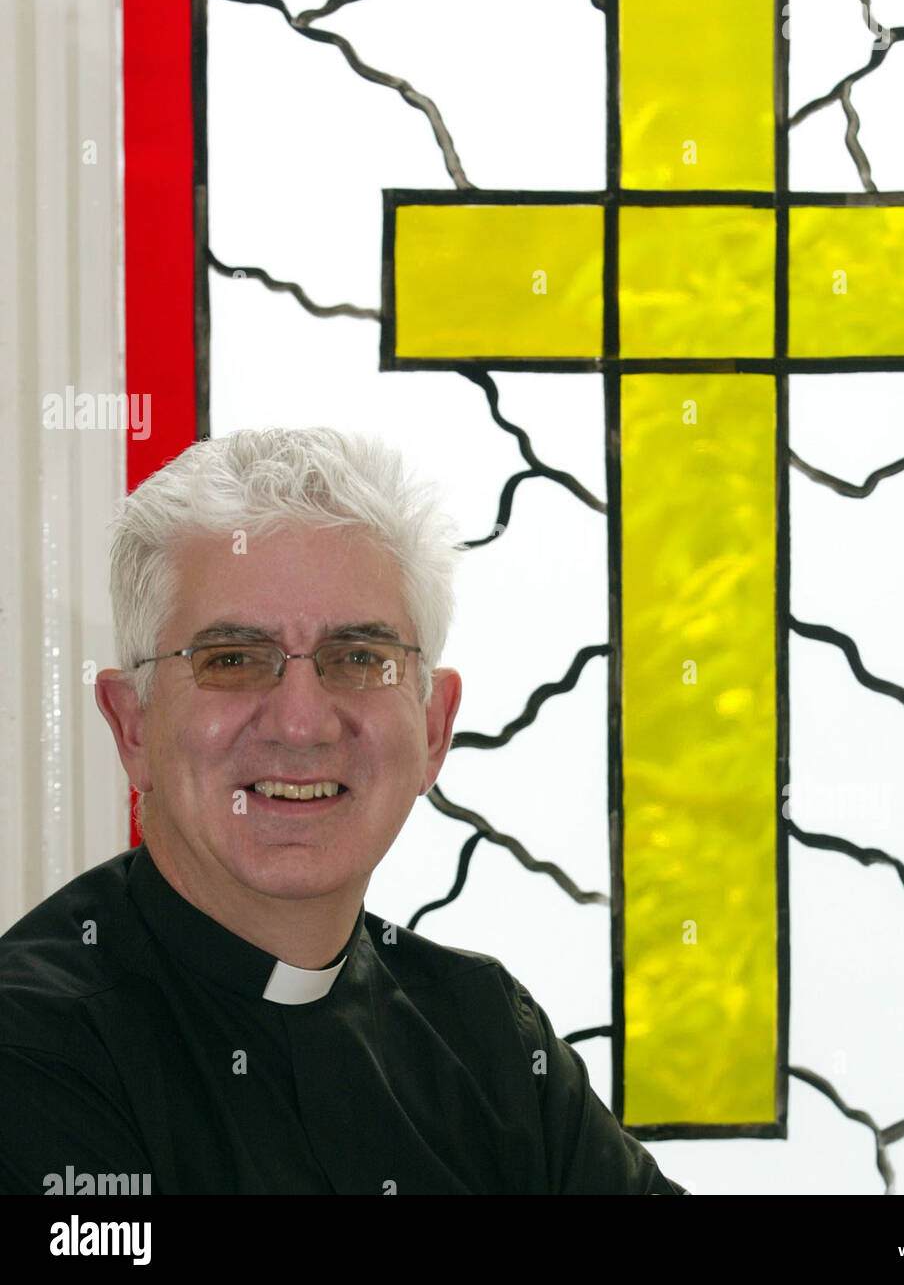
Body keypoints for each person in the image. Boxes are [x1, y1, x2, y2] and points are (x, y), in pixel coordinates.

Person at [0, 428, 684, 1195]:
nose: (302, 722)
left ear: (432, 728)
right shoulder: (29, 1047)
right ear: (132, 725)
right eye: (231, 659)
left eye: (360, 658)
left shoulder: (485, 1034)